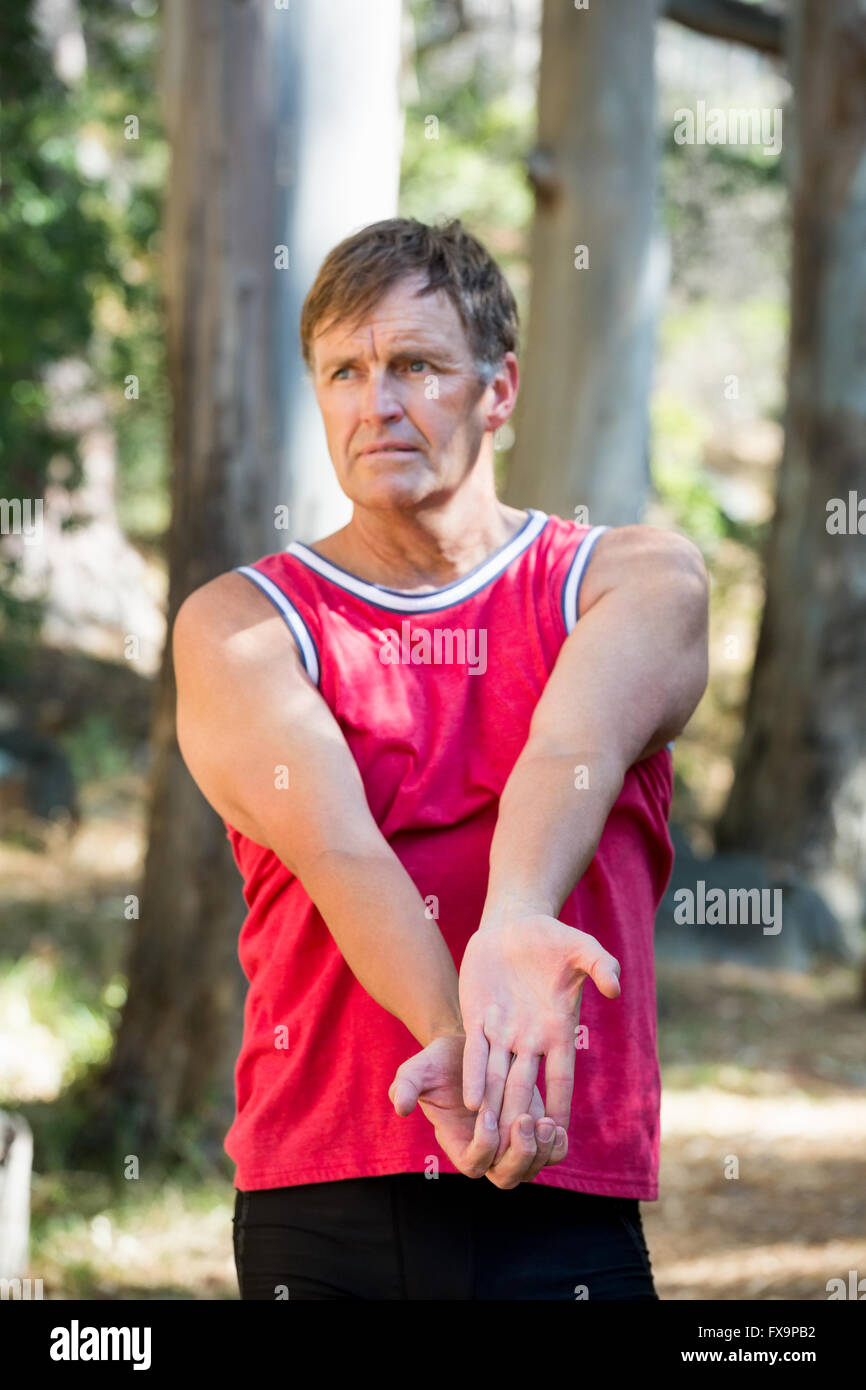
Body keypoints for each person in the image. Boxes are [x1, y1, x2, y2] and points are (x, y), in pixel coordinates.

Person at [172, 216, 709, 1300]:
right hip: (326, 1183)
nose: (377, 403)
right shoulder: (241, 623)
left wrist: (514, 917)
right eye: (345, 371)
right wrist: (460, 1041)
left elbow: (572, 747)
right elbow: (341, 850)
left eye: (416, 365)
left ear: (498, 389)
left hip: (560, 1176)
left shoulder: (635, 580)